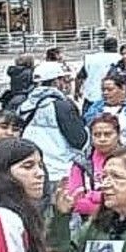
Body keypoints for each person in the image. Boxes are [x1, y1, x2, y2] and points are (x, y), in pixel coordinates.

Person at [19, 61, 88, 191]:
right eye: (65, 80)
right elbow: (79, 140)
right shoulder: (62, 106)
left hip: (35, 170)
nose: (68, 84)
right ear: (56, 82)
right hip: (61, 171)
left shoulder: (25, 105)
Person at [68, 113, 122, 220]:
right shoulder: (81, 163)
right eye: (97, 135)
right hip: (90, 223)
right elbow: (76, 202)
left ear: (118, 134)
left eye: (107, 134)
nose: (102, 139)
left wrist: (93, 196)